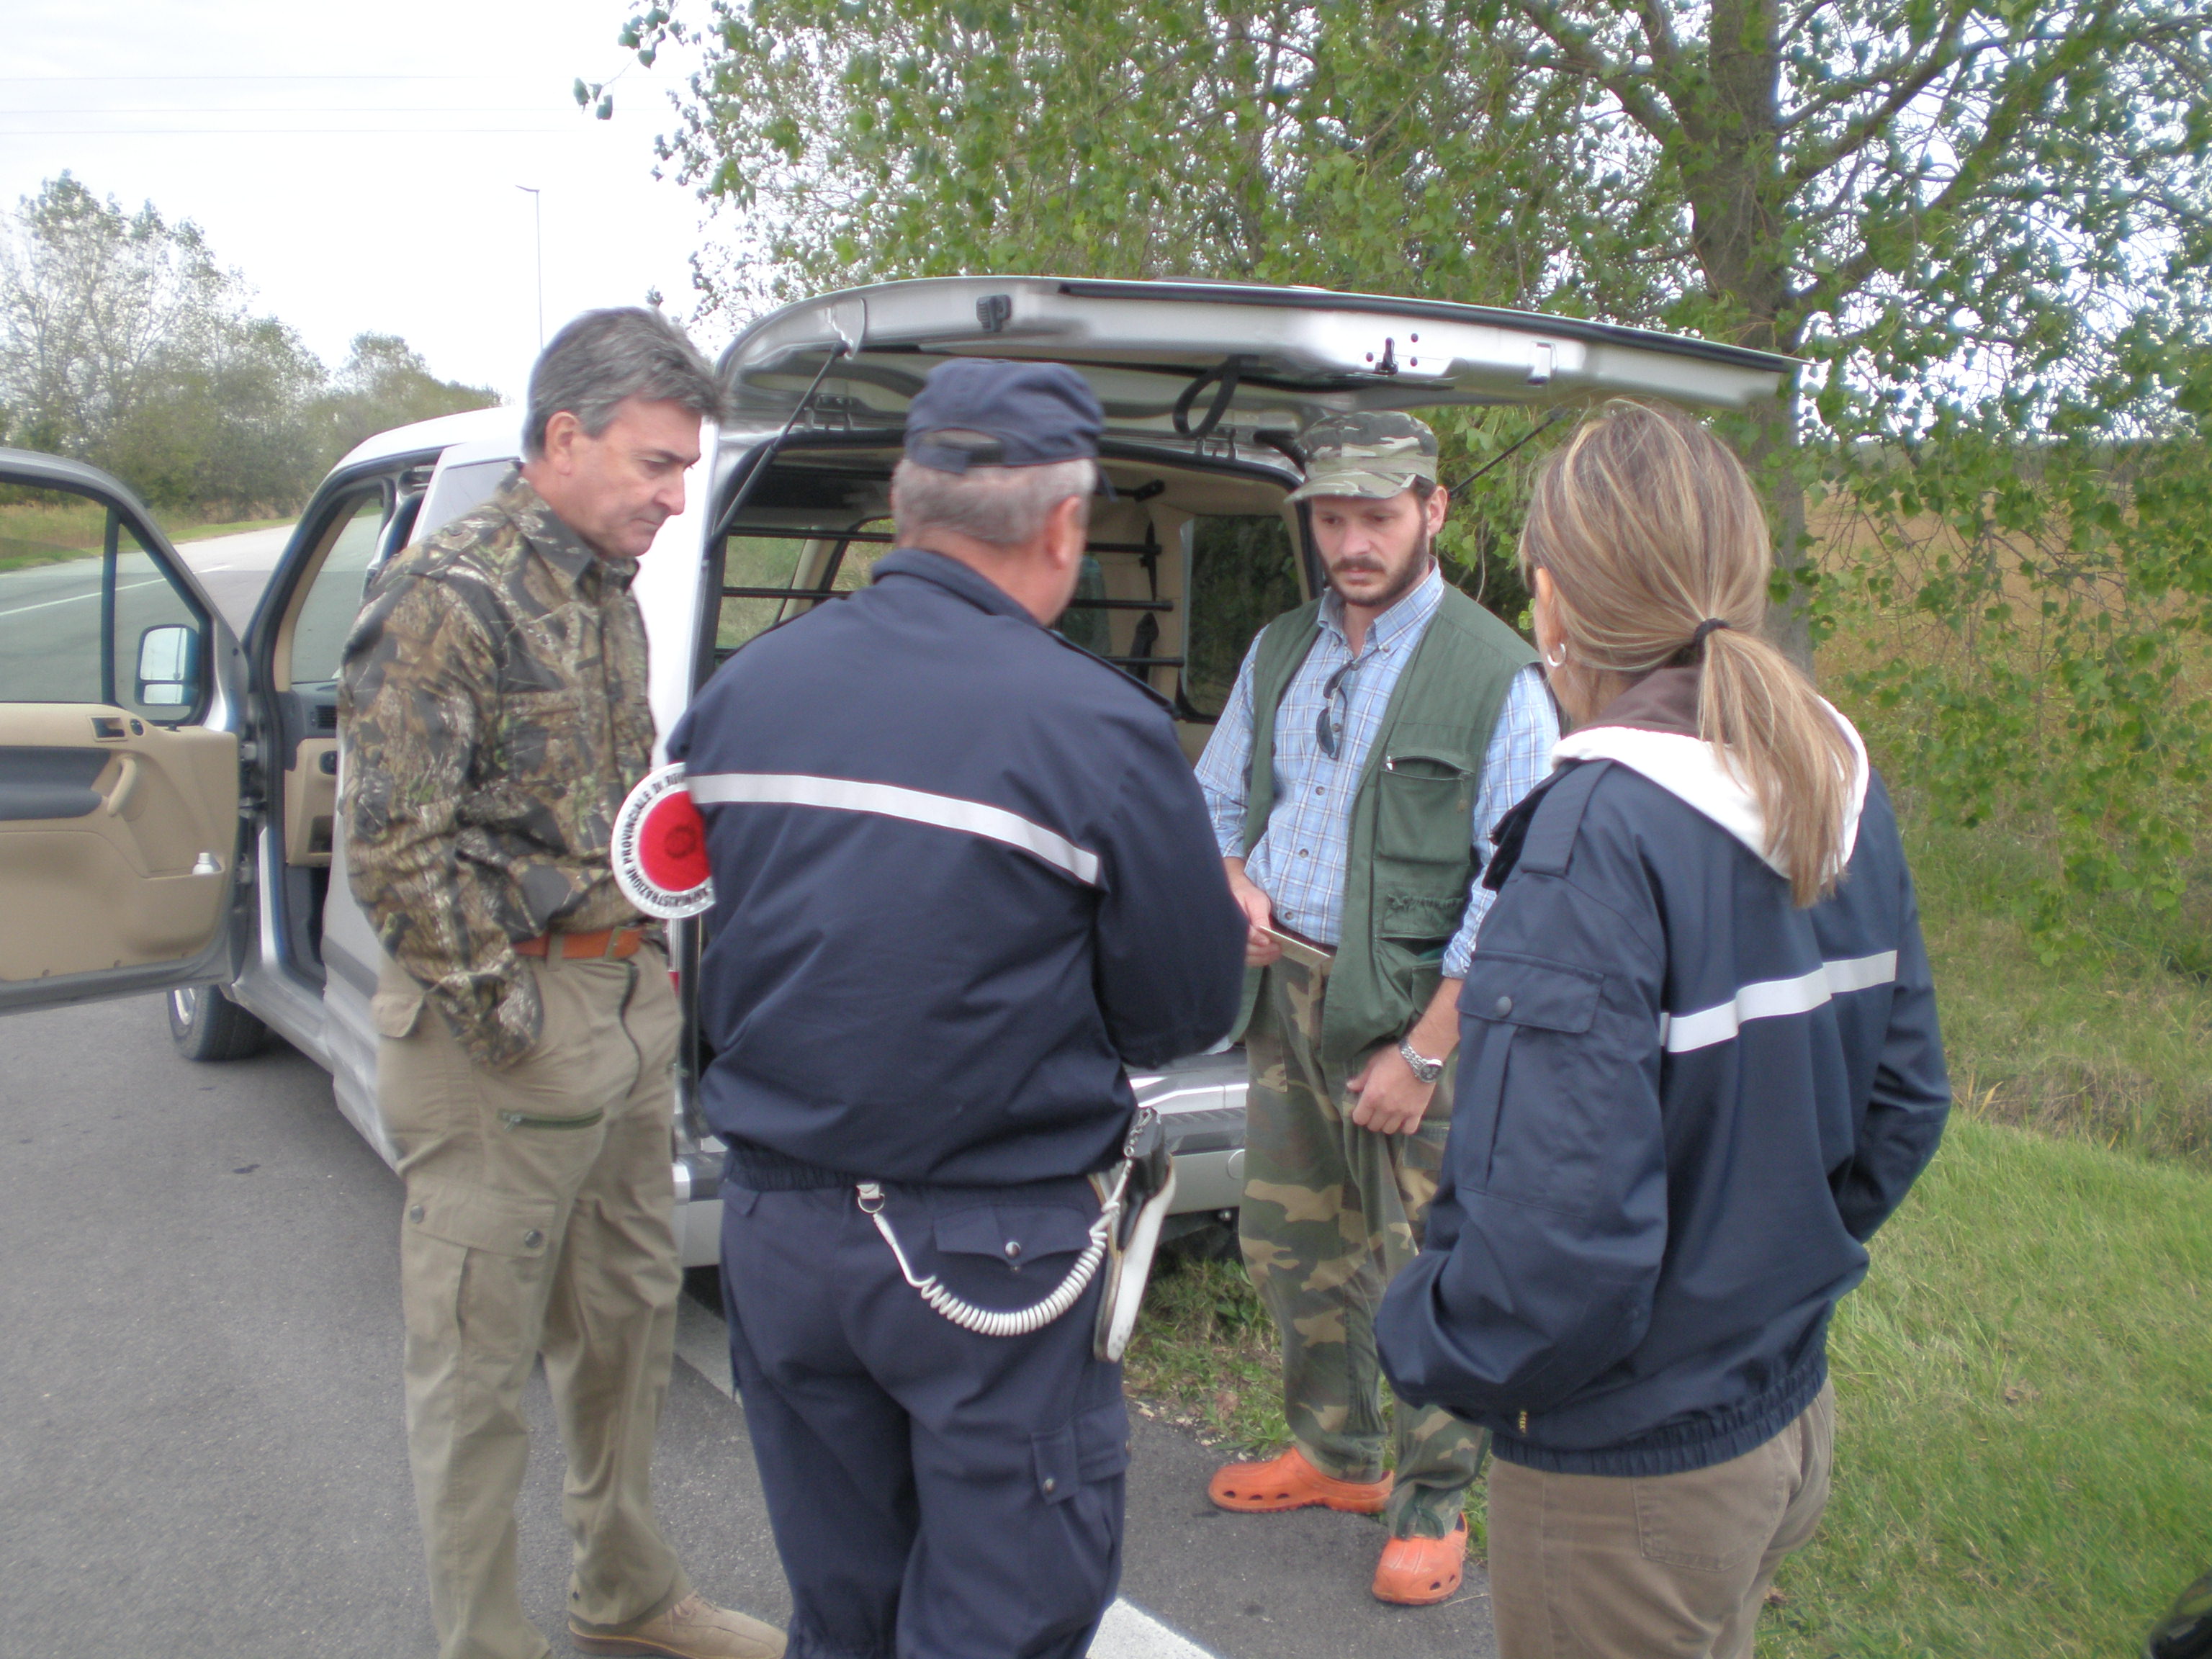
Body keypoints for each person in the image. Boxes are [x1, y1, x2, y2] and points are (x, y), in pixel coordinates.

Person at [668, 357, 1248, 1659]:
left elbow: (710, 949)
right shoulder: (1098, 729)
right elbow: (1185, 1005)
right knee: (1002, 1615)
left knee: (846, 1604)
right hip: (984, 1259)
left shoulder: (743, 696)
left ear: (903, 502)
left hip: (776, 1235)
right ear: (1063, 525)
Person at [1375, 402, 1952, 1658]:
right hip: (1780, 1416)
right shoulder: (1830, 778)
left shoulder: (1595, 833)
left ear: (1549, 601)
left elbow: (1553, 1256)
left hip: (1629, 1480)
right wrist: (1756, 1279)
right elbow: (1904, 1109)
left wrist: (1420, 1329)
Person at [341, 307, 785, 1659]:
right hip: (504, 1033)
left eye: (683, 469)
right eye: (656, 465)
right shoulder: (445, 597)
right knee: (479, 1366)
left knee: (626, 1324)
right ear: (564, 438)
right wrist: (507, 1018)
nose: (673, 495)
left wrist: (647, 978)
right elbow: (392, 844)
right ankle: (483, 1640)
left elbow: (615, 814)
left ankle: (626, 1592)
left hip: (620, 1007)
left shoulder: (603, 594)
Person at [1191, 410, 1559, 1604]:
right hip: (1282, 987)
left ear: (1434, 511)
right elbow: (1214, 800)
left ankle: (1434, 1501)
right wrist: (1234, 877)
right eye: (1333, 518)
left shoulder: (1496, 674)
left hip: (1415, 1014)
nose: (1352, 543)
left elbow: (1515, 891)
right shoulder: (1281, 646)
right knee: (1298, 1245)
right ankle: (1335, 1454)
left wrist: (1428, 1052)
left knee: (1432, 1266)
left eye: (1378, 517)